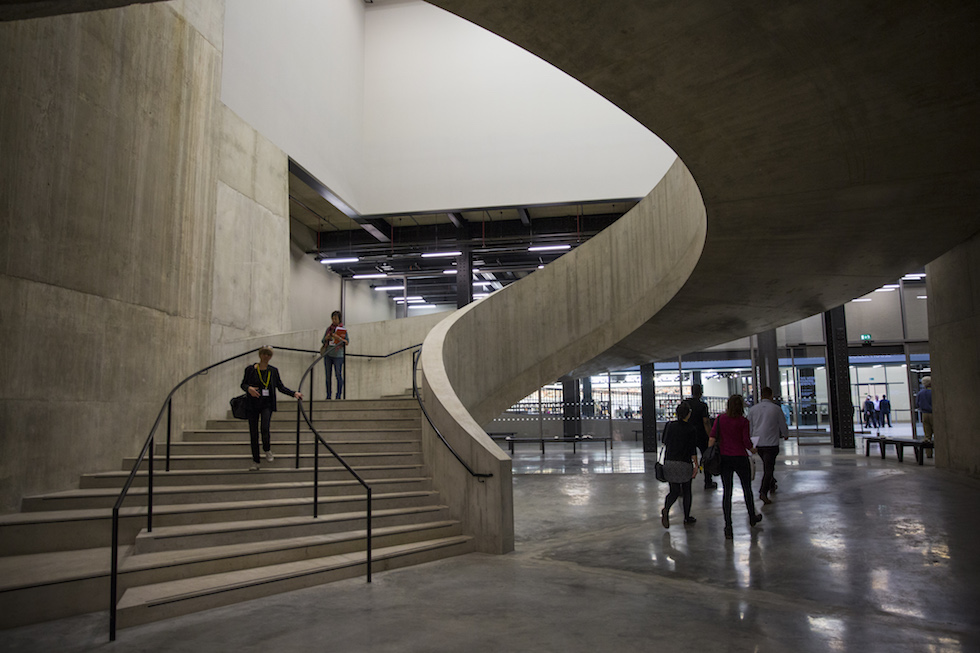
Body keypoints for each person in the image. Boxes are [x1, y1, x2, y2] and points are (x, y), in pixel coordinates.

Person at [708, 394, 762, 539]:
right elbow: (745, 441)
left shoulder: (720, 419)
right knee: (747, 489)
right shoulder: (743, 421)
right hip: (740, 458)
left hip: (725, 458)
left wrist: (709, 454)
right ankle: (752, 517)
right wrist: (752, 449)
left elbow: (712, 437)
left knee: (727, 492)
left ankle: (728, 526)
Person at [241, 346, 302, 471]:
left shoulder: (273, 371)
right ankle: (256, 461)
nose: (266, 356)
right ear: (260, 355)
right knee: (253, 433)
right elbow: (243, 384)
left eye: (268, 354)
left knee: (264, 428)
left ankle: (267, 449)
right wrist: (249, 389)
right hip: (252, 404)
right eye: (264, 354)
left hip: (266, 404)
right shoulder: (250, 369)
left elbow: (280, 387)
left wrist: (294, 393)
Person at [660, 402, 700, 528]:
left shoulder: (670, 426)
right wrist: (696, 465)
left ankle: (666, 508)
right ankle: (687, 517)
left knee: (674, 490)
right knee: (687, 490)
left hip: (670, 462)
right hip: (685, 464)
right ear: (688, 414)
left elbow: (664, 442)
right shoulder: (691, 429)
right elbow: (692, 450)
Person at [747, 387, 789, 505]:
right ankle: (763, 491)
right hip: (771, 443)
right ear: (771, 395)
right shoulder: (776, 409)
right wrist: (785, 434)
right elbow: (782, 423)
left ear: (761, 396)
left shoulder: (753, 409)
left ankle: (771, 484)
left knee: (767, 464)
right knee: (769, 468)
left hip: (758, 442)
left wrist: (750, 441)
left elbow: (749, 426)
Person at [685, 384, 716, 490]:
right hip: (701, 435)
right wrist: (711, 435)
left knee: (686, 458)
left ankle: (684, 483)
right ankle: (708, 481)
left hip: (688, 435)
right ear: (701, 392)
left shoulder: (686, 404)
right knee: (706, 458)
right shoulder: (703, 405)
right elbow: (706, 422)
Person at [321, 311, 349, 400]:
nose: (333, 320)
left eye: (335, 318)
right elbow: (322, 340)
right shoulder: (329, 329)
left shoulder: (343, 329)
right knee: (328, 376)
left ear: (339, 319)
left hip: (338, 355)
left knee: (338, 374)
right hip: (328, 354)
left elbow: (347, 342)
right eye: (332, 318)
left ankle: (338, 395)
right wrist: (326, 338)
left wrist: (339, 338)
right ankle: (328, 395)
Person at [916, 377, 933, 457]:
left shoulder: (920, 393)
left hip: (924, 414)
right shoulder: (933, 392)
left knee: (927, 435)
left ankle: (928, 453)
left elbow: (917, 404)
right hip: (934, 414)